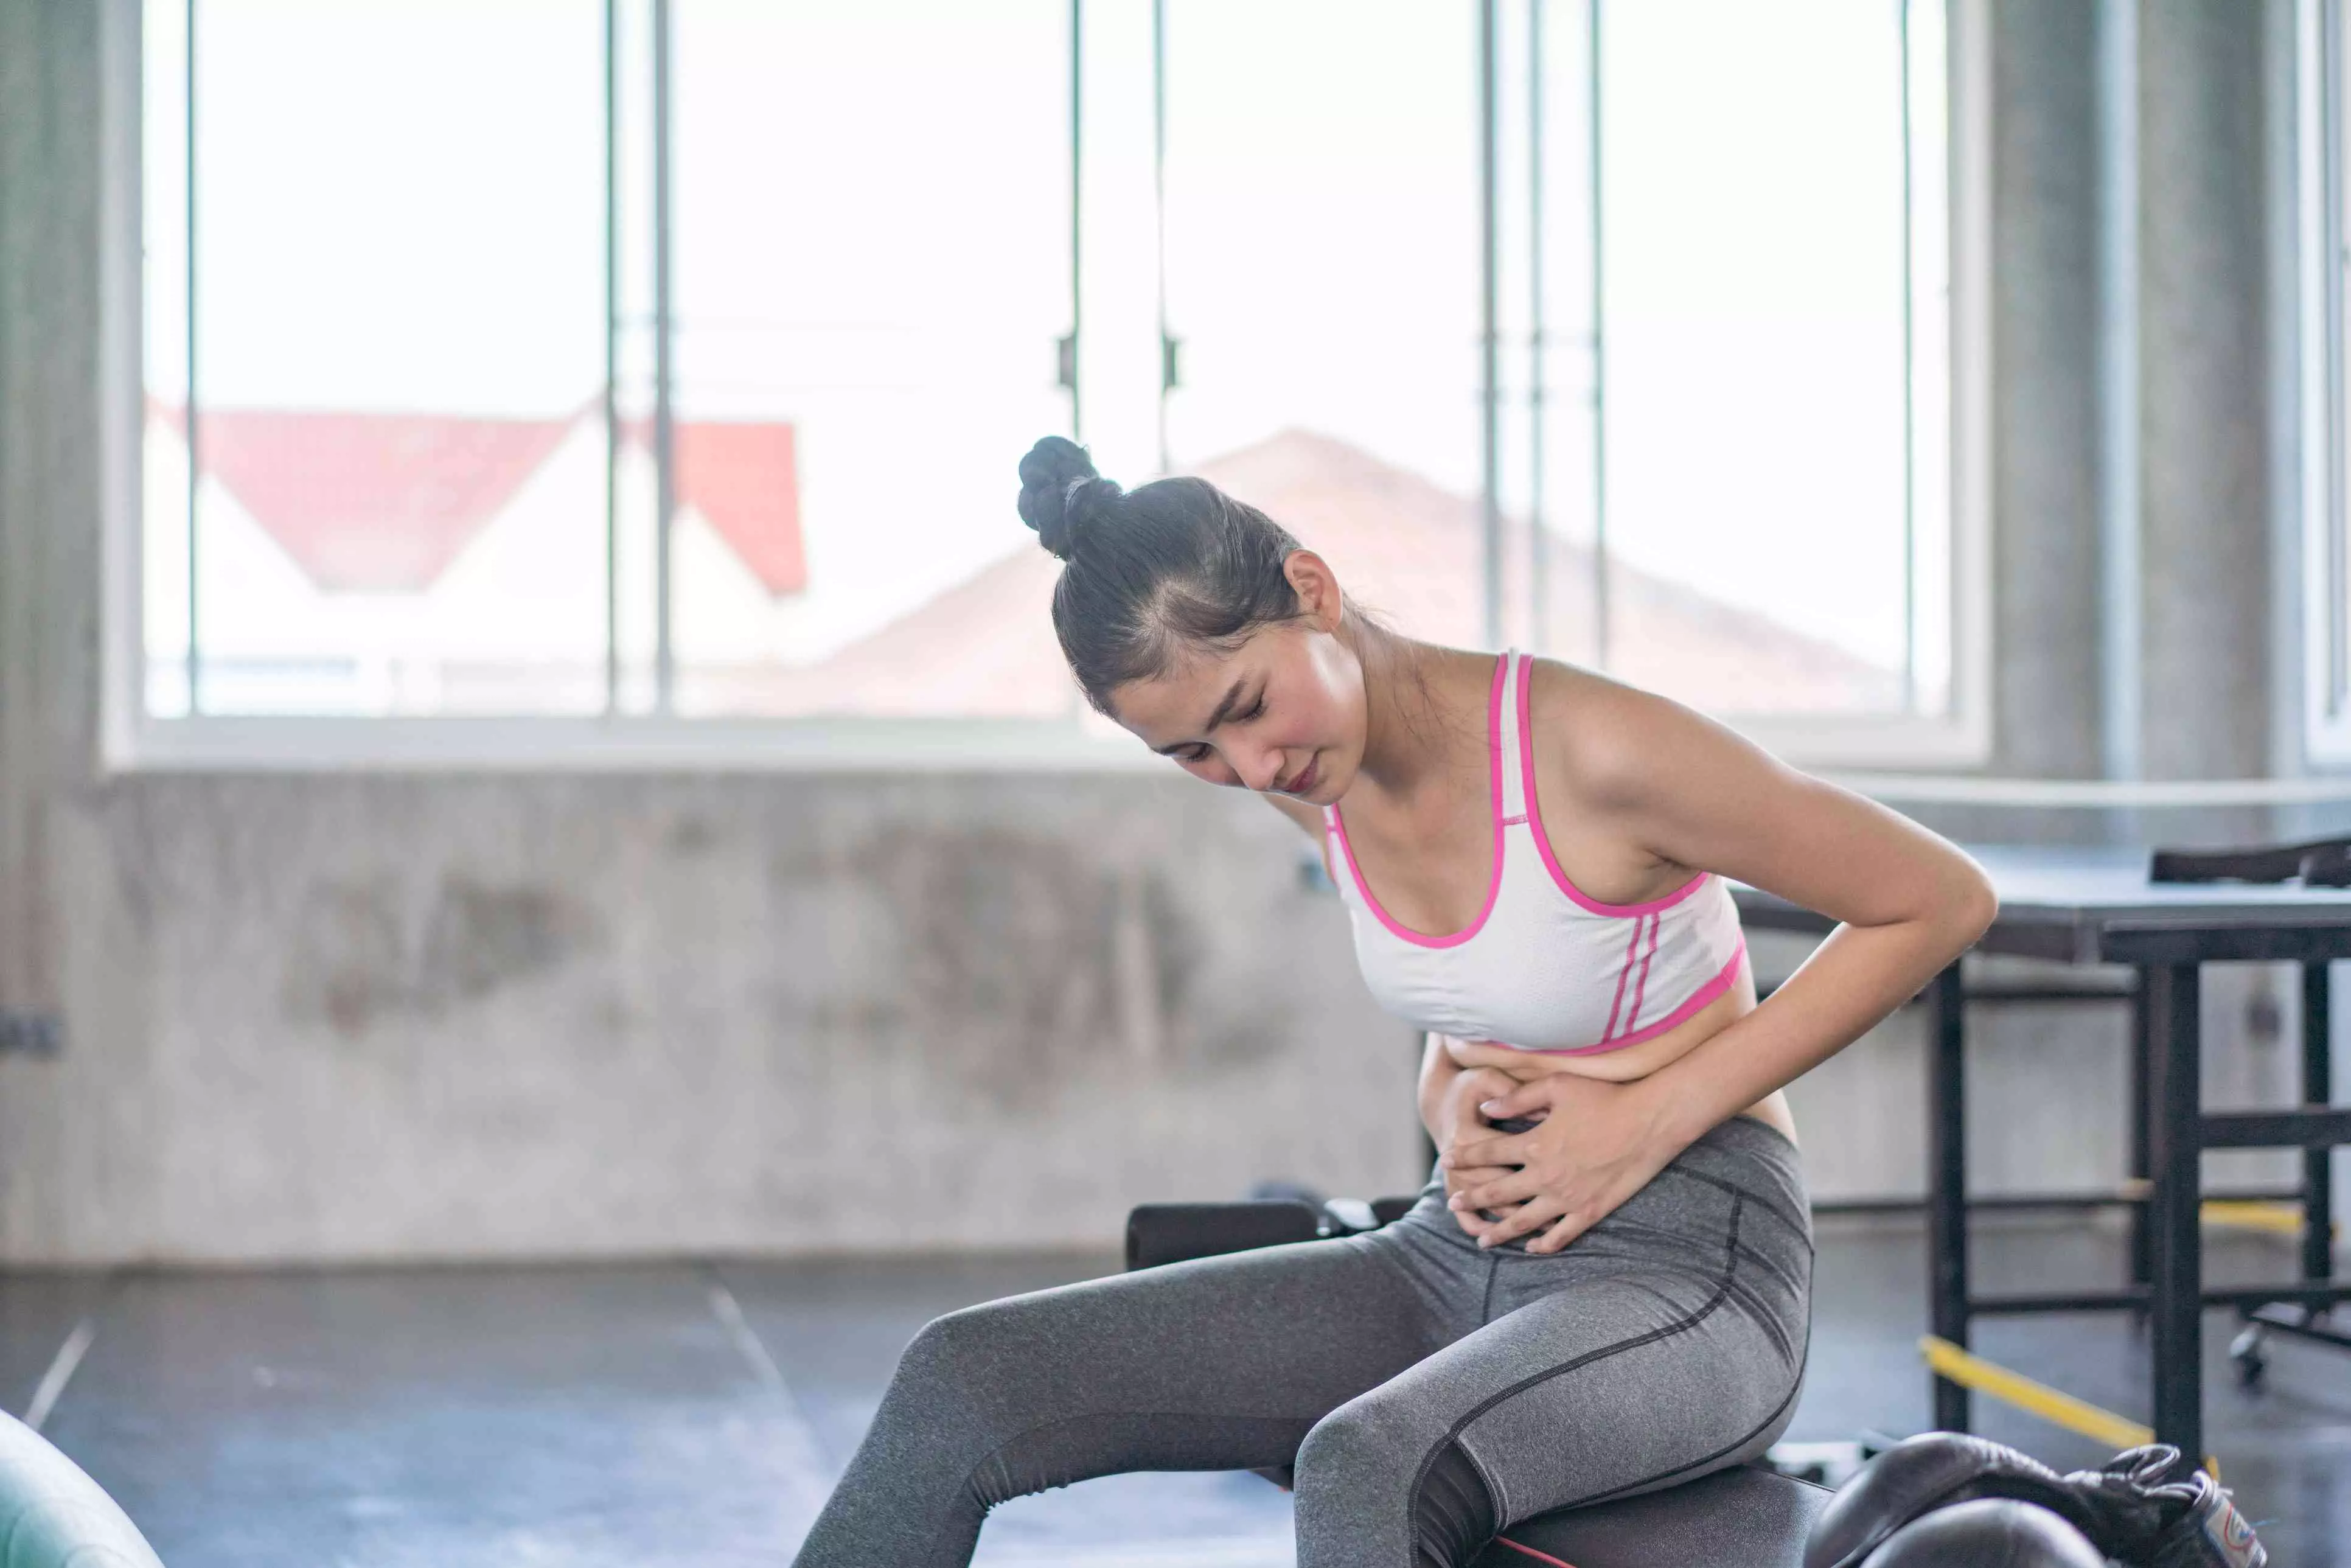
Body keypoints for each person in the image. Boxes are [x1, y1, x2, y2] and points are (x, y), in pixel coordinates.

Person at [790, 437, 1997, 1568]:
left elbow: (1938, 897)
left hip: (1693, 1271)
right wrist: (1446, 1082)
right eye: (1194, 755)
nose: (1249, 768)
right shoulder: (1311, 772)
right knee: (966, 1376)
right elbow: (1496, 972)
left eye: (1248, 708)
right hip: (1453, 1250)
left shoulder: (1597, 748)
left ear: (1311, 589)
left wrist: (1652, 1114)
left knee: (1369, 1464)